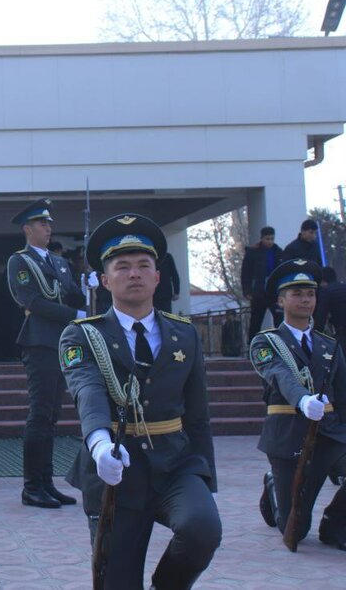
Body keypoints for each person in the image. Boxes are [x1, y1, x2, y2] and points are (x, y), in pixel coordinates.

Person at [60, 214, 221, 589]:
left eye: (144, 266)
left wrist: (205, 480)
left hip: (175, 461)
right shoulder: (83, 335)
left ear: (157, 277)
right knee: (116, 580)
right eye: (123, 266)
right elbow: (87, 389)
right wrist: (99, 443)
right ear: (104, 280)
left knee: (202, 529)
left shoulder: (184, 335)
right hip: (116, 464)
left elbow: (198, 414)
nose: (134, 274)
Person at [251, 259, 346, 550]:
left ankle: (334, 525)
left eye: (311, 293)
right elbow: (278, 375)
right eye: (297, 293)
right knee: (295, 529)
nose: (306, 299)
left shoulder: (328, 344)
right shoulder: (266, 342)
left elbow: (342, 391)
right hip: (288, 435)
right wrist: (303, 400)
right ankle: (273, 487)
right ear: (281, 300)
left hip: (328, 434)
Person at [6, 199, 84, 508]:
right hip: (40, 342)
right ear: (28, 229)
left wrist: (93, 285)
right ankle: (31, 486)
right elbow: (34, 302)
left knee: (52, 414)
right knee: (39, 413)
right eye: (42, 224)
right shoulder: (20, 261)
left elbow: (74, 294)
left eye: (49, 224)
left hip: (63, 342)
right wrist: (77, 312)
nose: (48, 228)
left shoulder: (60, 262)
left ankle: (47, 483)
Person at [241, 226, 284, 338]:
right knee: (256, 321)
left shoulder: (278, 252)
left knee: (279, 318)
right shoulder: (253, 252)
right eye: (267, 239)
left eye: (272, 239)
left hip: (274, 292)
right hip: (259, 292)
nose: (270, 242)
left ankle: (281, 344)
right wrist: (247, 291)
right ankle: (252, 345)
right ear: (262, 238)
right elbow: (246, 273)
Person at [315, 266, 346, 354]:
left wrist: (315, 336)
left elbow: (321, 318)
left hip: (342, 334)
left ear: (323, 281)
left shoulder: (327, 292)